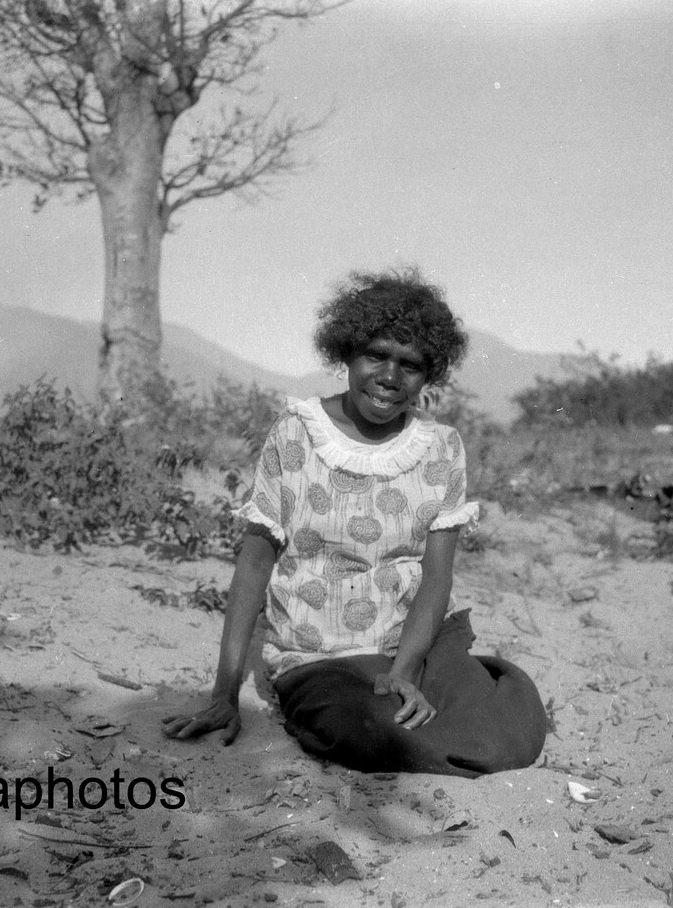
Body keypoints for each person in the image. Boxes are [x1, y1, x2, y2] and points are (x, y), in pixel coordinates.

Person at [162, 270, 547, 777]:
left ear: (429, 375)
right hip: (322, 655)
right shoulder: (297, 434)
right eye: (375, 355)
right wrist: (224, 694)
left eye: (410, 365)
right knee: (376, 732)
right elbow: (255, 565)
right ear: (344, 353)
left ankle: (468, 681)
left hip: (415, 643)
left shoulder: (440, 449)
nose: (389, 376)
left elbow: (436, 576)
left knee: (510, 738)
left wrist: (404, 671)